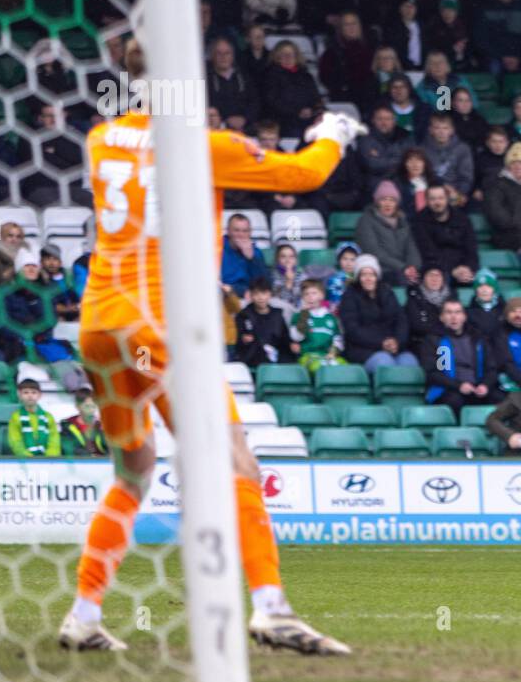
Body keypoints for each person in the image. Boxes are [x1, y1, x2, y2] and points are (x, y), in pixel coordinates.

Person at [64, 88, 361, 653]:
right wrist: (334, 134)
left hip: (101, 330)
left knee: (134, 470)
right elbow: (302, 176)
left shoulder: (100, 139)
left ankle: (84, 614)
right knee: (237, 462)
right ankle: (271, 607)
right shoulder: (199, 146)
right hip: (158, 334)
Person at [338, 255, 415, 372]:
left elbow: (401, 320)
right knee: (385, 362)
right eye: (364, 274)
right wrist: (381, 343)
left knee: (410, 363)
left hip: (393, 347)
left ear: (377, 276)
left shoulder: (387, 292)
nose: (368, 278)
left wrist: (397, 341)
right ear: (358, 277)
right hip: (363, 350)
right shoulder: (349, 296)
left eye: (372, 274)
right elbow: (352, 329)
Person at [421, 297, 498, 411]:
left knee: (499, 399)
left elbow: (491, 368)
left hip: (476, 388)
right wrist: (459, 386)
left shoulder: (477, 339)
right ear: (441, 317)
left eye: (458, 312)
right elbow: (434, 373)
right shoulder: (434, 340)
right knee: (456, 401)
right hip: (447, 390)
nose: (454, 317)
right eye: (449, 312)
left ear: (464, 317)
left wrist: (485, 385)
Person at [356, 180, 422, 287]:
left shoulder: (403, 222)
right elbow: (373, 251)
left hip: (402, 269)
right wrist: (402, 267)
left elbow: (411, 247)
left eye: (392, 200)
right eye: (383, 199)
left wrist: (412, 267)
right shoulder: (366, 220)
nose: (388, 204)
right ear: (377, 202)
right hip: (379, 268)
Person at [412, 182, 478, 284]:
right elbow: (428, 252)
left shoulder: (462, 218)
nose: (437, 202)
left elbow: (471, 248)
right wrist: (452, 271)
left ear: (447, 199)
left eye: (441, 198)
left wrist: (468, 268)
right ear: (427, 201)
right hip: (435, 268)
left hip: (462, 268)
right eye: (432, 199)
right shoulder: (420, 221)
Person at [233, 276, 296, 367]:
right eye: (256, 294)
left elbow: (285, 340)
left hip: (277, 360)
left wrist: (292, 345)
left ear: (270, 294)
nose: (260, 297)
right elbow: (238, 343)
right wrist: (244, 340)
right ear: (251, 296)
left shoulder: (277, 315)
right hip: (252, 360)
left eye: (264, 293)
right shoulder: (243, 315)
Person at [290, 279, 344, 372]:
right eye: (306, 294)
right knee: (321, 368)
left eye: (314, 293)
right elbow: (297, 337)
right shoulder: (299, 316)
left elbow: (338, 339)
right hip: (307, 356)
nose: (310, 297)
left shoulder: (330, 317)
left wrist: (333, 351)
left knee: (346, 369)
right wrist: (304, 315)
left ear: (322, 295)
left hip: (328, 356)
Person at [8, 370, 61, 457]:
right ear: (20, 395)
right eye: (26, 392)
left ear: (40, 395)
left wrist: (50, 457)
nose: (30, 396)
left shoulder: (48, 417)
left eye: (33, 392)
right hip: (25, 461)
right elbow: (15, 442)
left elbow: (54, 441)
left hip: (48, 461)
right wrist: (29, 458)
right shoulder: (16, 417)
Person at [60, 386, 111, 457]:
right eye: (87, 406)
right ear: (77, 406)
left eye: (94, 406)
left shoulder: (100, 426)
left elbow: (110, 449)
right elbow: (68, 449)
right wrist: (90, 456)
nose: (91, 410)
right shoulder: (67, 426)